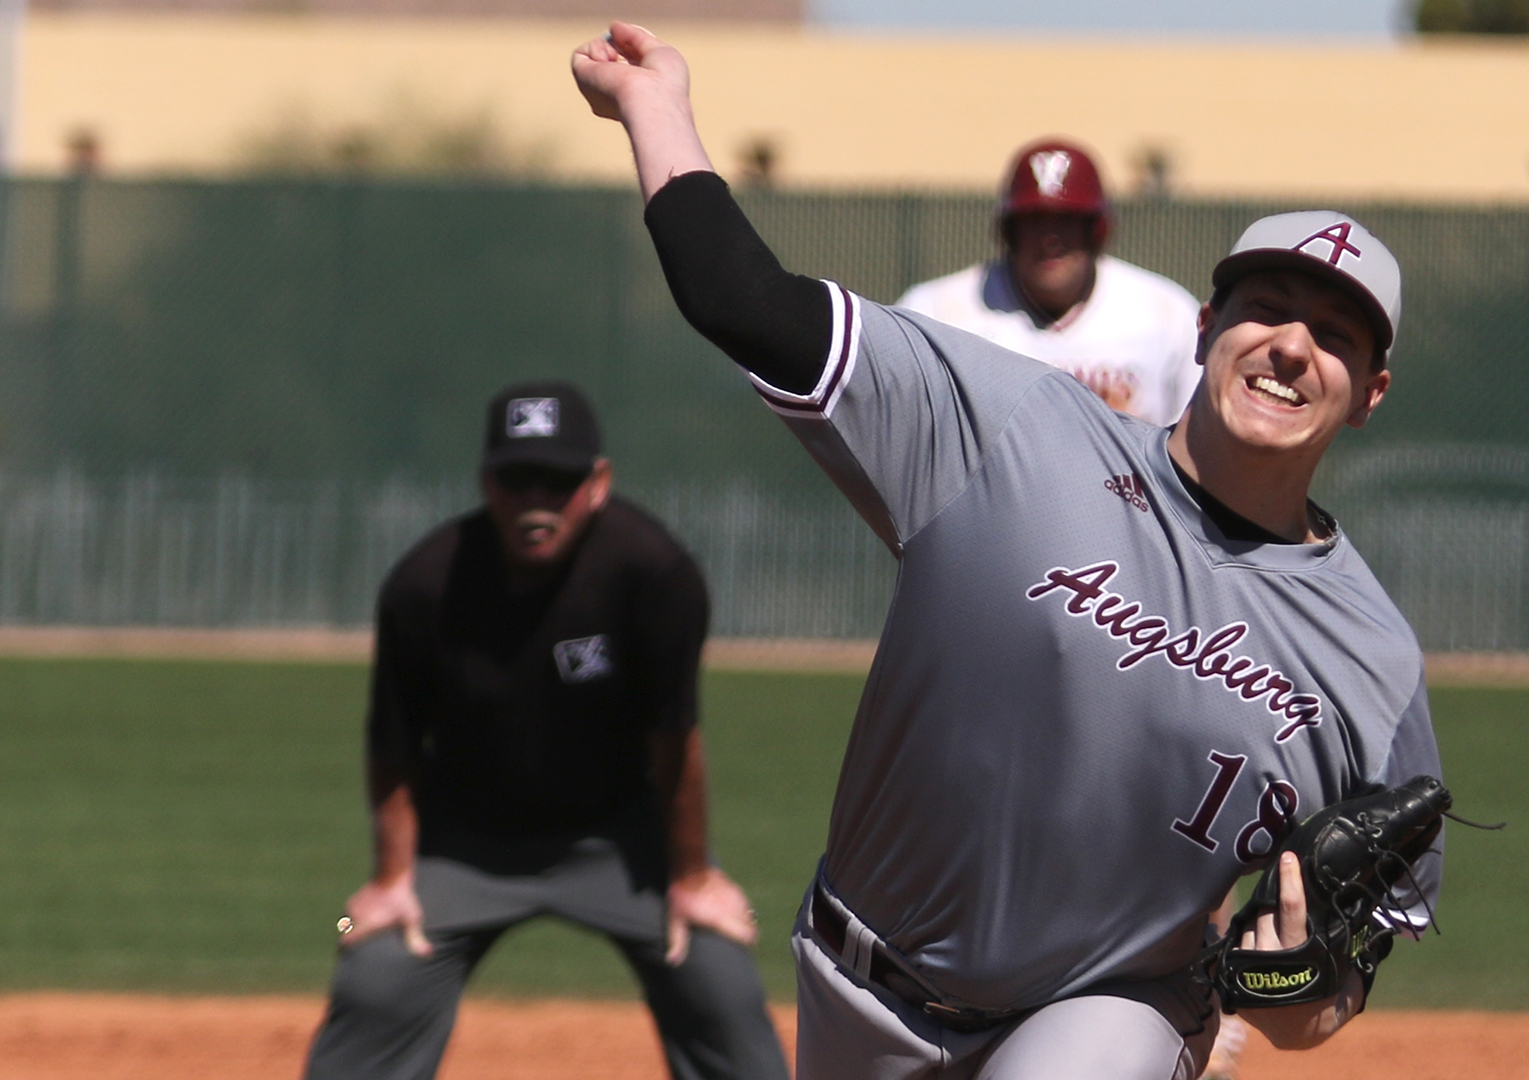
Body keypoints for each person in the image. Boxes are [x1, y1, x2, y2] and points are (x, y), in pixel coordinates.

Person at [573, 24, 1444, 1080]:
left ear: (1371, 394)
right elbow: (740, 300)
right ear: (1208, 324)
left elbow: (1339, 981)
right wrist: (656, 105)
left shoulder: (1373, 662)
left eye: (1337, 335)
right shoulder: (1010, 430)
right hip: (860, 979)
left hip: (1109, 1006)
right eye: (1267, 307)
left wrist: (1299, 987)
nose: (1293, 345)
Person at [304, 381, 790, 1080]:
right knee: (366, 958)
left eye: (558, 480)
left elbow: (676, 736)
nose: (536, 500)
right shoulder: (423, 585)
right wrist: (386, 880)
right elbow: (393, 745)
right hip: (462, 844)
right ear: (486, 483)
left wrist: (693, 875)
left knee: (720, 974)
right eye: (516, 479)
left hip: (622, 842)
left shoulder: (654, 573)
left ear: (598, 482)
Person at [896, 139, 1202, 427]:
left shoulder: (1168, 314)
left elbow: (1194, 447)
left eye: (1066, 220)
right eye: (1035, 220)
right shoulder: (934, 311)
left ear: (1096, 230)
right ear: (1010, 231)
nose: (1050, 239)